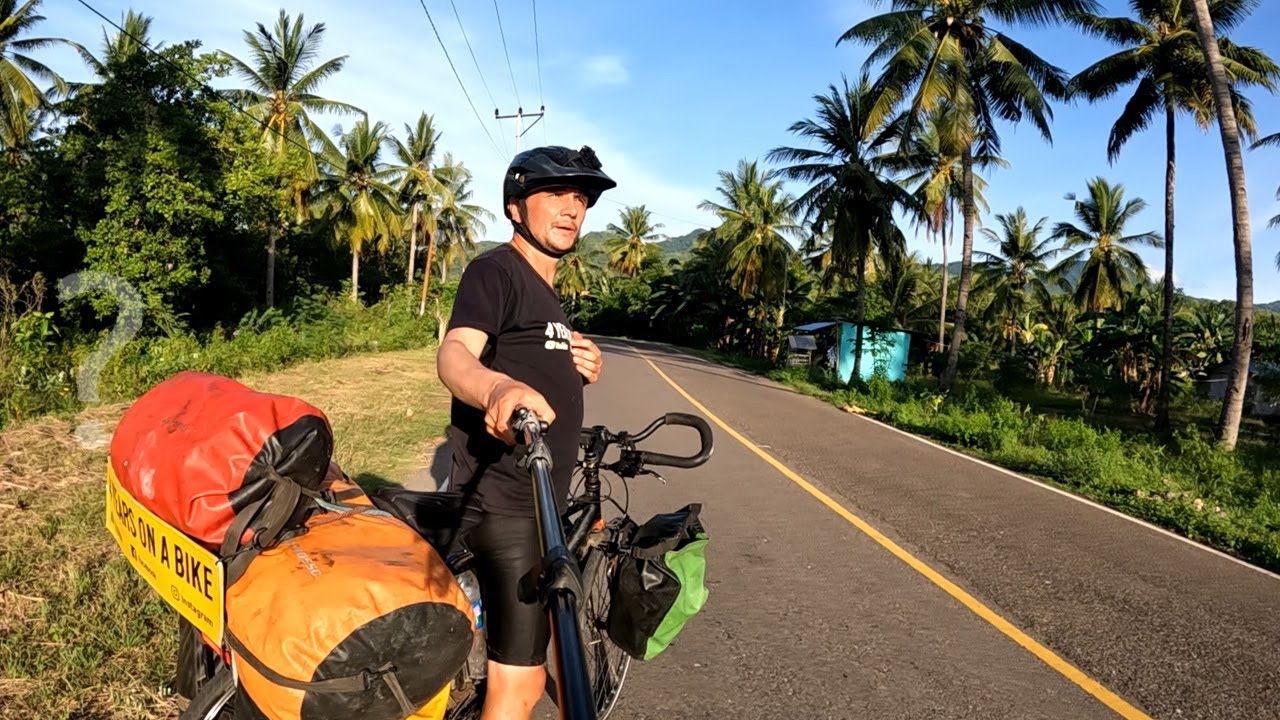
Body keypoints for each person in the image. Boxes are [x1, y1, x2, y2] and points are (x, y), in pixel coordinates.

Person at [436, 145, 615, 719]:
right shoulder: (495, 271)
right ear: (516, 207)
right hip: (508, 506)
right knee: (520, 686)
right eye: (555, 194)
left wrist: (579, 362)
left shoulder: (548, 295)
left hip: (538, 504)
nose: (572, 209)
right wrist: (495, 391)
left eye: (581, 198)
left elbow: (533, 354)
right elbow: (456, 353)